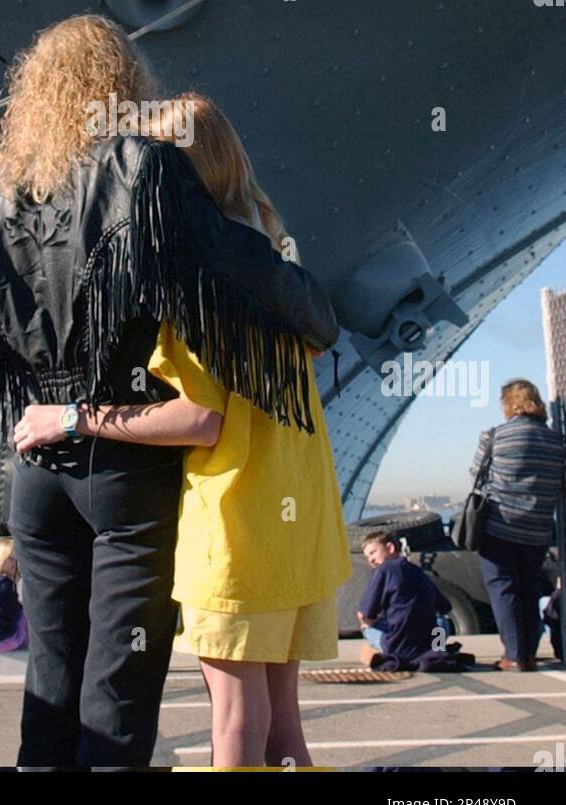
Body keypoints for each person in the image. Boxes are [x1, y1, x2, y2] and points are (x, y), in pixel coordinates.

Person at [0, 14, 338, 770]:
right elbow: (235, 268)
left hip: (38, 467)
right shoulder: (142, 163)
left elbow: (1, 353)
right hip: (125, 463)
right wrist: (312, 307)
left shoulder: (0, 198)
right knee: (120, 681)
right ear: (122, 82)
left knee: (52, 673)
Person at [141, 95, 350, 768]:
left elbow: (202, 418)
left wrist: (79, 419)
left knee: (234, 718)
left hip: (233, 524)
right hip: (301, 522)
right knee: (284, 723)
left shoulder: (198, 281)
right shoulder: (281, 274)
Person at [471, 378, 566, 670]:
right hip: (537, 529)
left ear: (508, 404)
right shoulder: (556, 441)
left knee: (503, 588)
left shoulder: (495, 436)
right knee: (528, 589)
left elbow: (476, 475)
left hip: (498, 527)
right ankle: (529, 653)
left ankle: (514, 655)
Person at [357, 532, 451, 667]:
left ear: (390, 548)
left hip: (397, 647)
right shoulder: (418, 571)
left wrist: (372, 622)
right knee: (443, 620)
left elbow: (364, 615)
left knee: (366, 627)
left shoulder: (382, 570)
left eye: (373, 553)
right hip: (428, 645)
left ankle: (387, 649)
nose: (370, 560)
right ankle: (437, 649)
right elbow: (445, 607)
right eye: (367, 557)